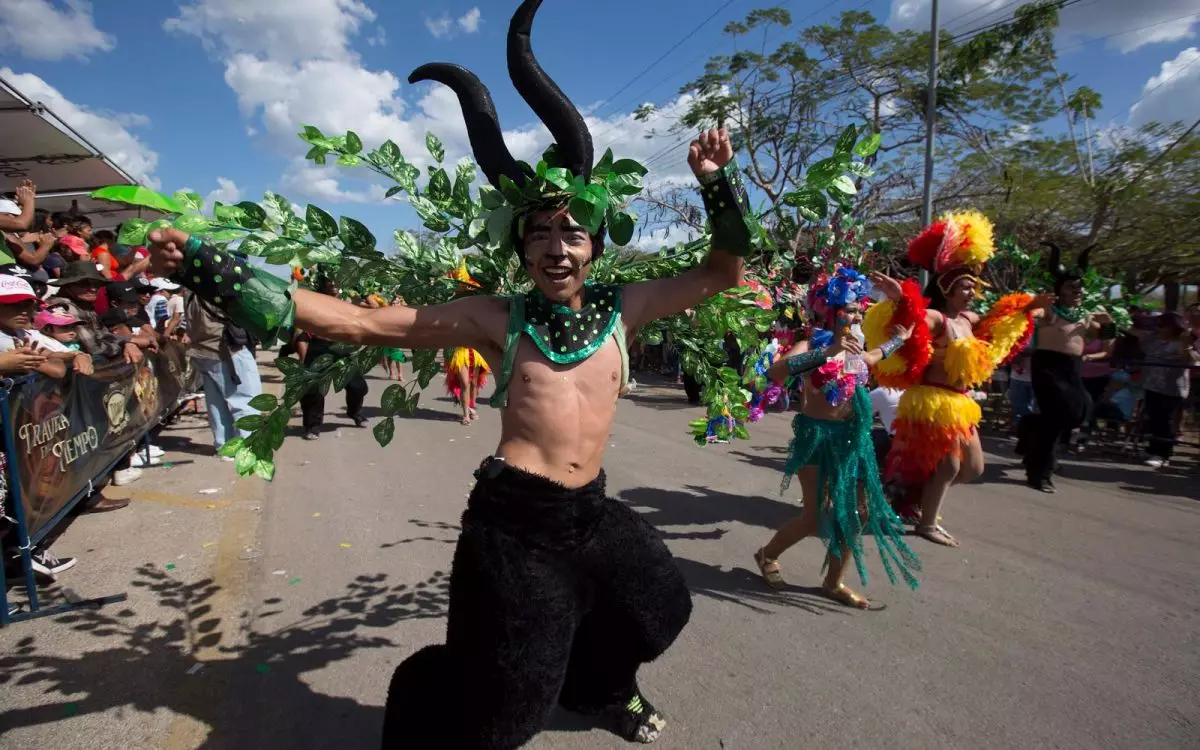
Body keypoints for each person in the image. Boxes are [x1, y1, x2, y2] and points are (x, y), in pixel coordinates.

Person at [143, 3, 747, 744]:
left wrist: (716, 183)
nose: (558, 247)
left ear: (594, 247)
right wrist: (213, 265)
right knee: (503, 711)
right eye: (541, 234)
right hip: (515, 526)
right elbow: (359, 322)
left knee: (659, 608)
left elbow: (723, 269)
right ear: (521, 251)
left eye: (573, 233)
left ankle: (597, 687)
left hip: (589, 514)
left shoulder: (628, 309)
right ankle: (424, 702)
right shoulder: (496, 317)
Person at [865, 210, 1042, 546]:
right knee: (947, 466)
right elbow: (910, 328)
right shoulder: (935, 318)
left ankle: (911, 496)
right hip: (932, 400)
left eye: (973, 287)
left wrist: (1030, 306)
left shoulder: (969, 319)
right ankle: (927, 523)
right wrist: (900, 298)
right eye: (964, 286)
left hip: (961, 403)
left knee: (972, 470)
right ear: (946, 288)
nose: (971, 292)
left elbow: (997, 325)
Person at [752, 267, 919, 609]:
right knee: (813, 517)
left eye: (861, 308)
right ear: (829, 310)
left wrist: (898, 340)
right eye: (851, 308)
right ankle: (767, 554)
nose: (858, 314)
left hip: (852, 440)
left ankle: (833, 582)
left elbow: (872, 359)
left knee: (857, 514)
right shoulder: (811, 342)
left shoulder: (858, 347)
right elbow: (777, 370)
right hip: (816, 439)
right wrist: (827, 354)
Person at [1017, 245, 1115, 491]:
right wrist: (1032, 306)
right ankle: (1040, 474)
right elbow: (1028, 313)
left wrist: (1109, 323)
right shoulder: (1050, 310)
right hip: (1047, 366)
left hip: (1072, 367)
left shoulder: (1084, 315)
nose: (1077, 291)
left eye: (1079, 288)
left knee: (1080, 411)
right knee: (1056, 417)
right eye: (1071, 287)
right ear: (1059, 290)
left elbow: (1107, 339)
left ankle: (1028, 430)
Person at [185, 288, 263, 457]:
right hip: (227, 351)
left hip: (204, 351)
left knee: (216, 404)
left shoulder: (191, 292)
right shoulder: (217, 288)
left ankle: (224, 447)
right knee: (246, 401)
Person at [295, 273, 370, 439]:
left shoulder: (350, 298)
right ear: (323, 281)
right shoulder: (314, 298)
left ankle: (354, 412)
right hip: (319, 348)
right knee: (313, 389)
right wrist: (303, 356)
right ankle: (312, 425)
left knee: (358, 387)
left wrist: (363, 290)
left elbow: (374, 308)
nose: (334, 283)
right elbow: (300, 330)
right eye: (330, 279)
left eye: (337, 277)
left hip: (344, 349)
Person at [1139, 312, 1197, 468]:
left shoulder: (1183, 342)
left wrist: (1186, 345)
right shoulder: (1153, 339)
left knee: (1166, 421)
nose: (1159, 327)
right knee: (1153, 418)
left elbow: (1192, 360)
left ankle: (1164, 454)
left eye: (1163, 325)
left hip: (1172, 388)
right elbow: (1134, 332)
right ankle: (1152, 448)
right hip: (1151, 384)